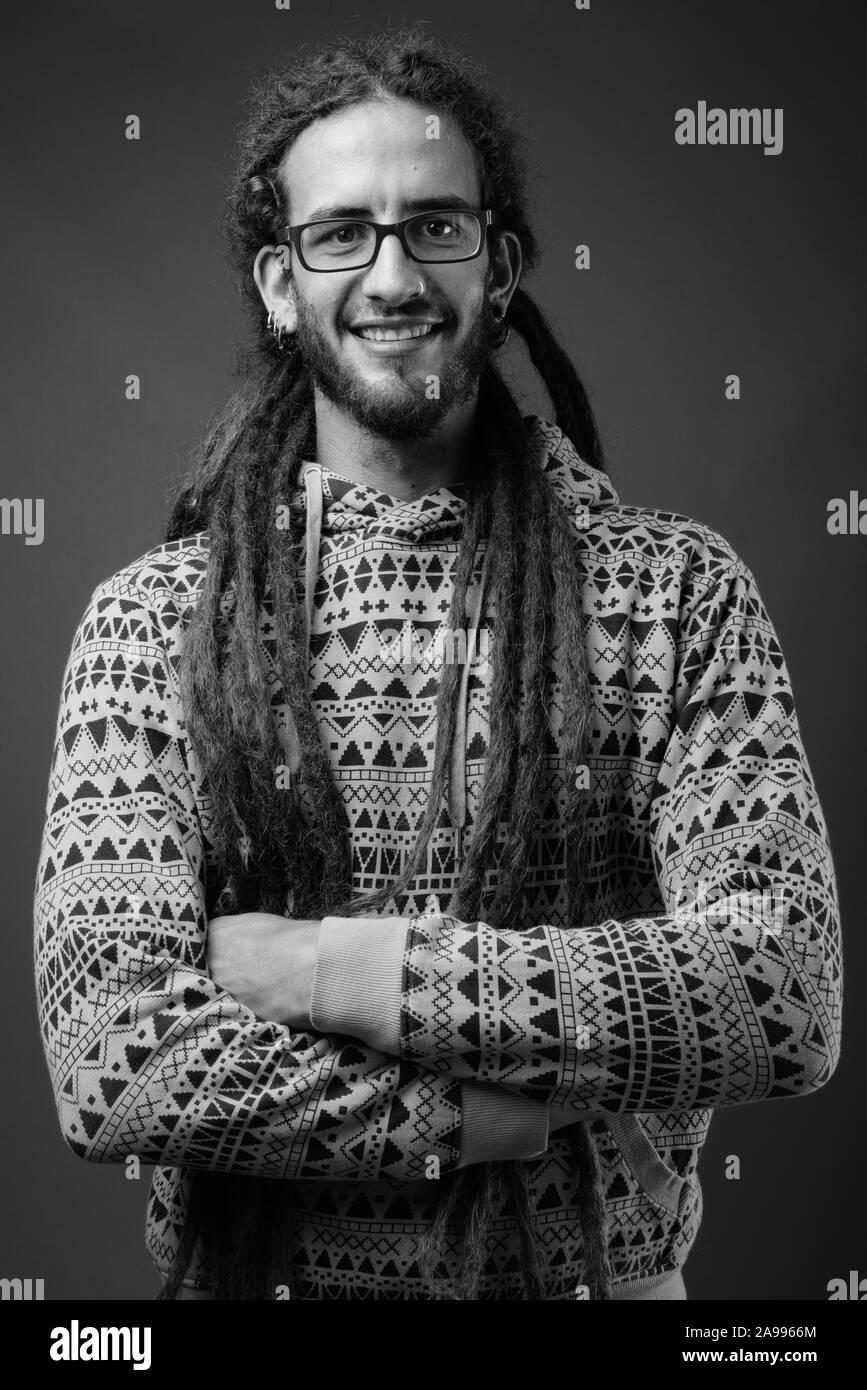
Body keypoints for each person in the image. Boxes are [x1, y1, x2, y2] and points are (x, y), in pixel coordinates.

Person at [34, 26, 842, 1302]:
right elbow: (111, 1056)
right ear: (277, 282)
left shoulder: (675, 590)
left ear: (502, 266)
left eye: (436, 228)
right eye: (342, 232)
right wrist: (472, 1119)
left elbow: (782, 989)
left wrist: (324, 969)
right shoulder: (152, 623)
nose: (394, 274)